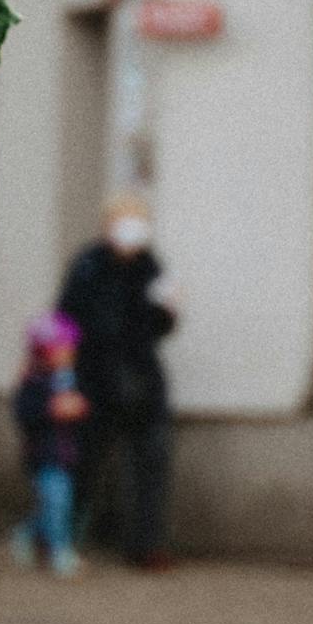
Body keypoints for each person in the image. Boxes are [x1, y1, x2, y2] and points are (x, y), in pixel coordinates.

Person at [60, 196, 179, 571]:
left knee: (150, 460)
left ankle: (145, 545)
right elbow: (69, 319)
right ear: (109, 227)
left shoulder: (151, 267)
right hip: (96, 378)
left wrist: (167, 310)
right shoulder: (89, 265)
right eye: (124, 223)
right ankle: (63, 537)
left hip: (142, 379)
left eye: (137, 224)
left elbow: (160, 326)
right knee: (84, 462)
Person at [10, 310, 88, 577]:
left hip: (67, 453)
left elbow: (78, 406)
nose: (70, 353)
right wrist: (50, 409)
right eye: (63, 348)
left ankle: (26, 533)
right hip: (43, 455)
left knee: (57, 505)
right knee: (56, 503)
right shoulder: (33, 382)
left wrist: (77, 407)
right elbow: (24, 413)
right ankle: (60, 552)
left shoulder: (66, 379)